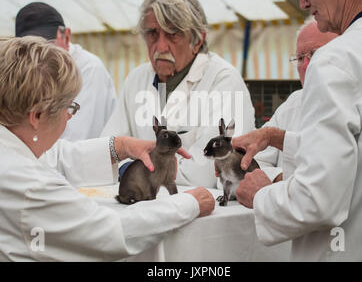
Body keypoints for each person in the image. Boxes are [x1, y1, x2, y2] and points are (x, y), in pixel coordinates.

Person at [0, 36, 215, 261]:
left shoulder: (10, 149)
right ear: (37, 116)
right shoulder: (29, 185)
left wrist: (120, 146)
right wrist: (189, 203)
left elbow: (54, 158)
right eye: (69, 107)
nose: (69, 116)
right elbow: (110, 232)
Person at [234, 0, 362, 261]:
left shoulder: (336, 60)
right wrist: (279, 137)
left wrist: (262, 195)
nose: (302, 1)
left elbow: (317, 201)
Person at [101, 0, 255, 188]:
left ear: (197, 40)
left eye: (173, 34)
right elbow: (106, 150)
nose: (161, 47)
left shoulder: (223, 81)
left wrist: (129, 168)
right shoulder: (137, 79)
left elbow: (209, 170)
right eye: (152, 34)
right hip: (138, 207)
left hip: (201, 213)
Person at [15, 2, 117, 141]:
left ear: (66, 36)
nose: (39, 55)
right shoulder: (25, 71)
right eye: (31, 48)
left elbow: (77, 141)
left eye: (47, 45)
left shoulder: (89, 69)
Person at [254, 20, 338, 183]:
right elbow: (253, 161)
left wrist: (280, 180)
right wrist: (279, 178)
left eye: (315, 54)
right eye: (299, 58)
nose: (306, 65)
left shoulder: (359, 103)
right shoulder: (293, 103)